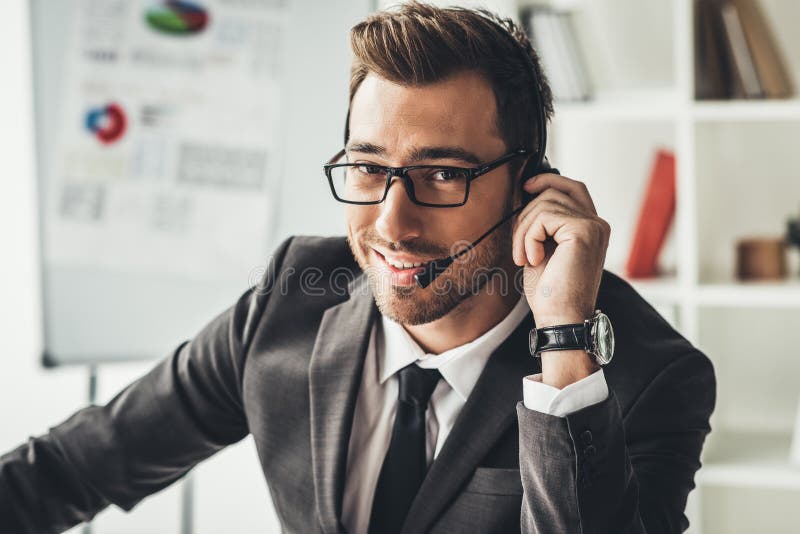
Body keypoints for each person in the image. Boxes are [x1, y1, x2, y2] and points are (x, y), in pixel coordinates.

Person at [0, 2, 715, 533]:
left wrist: (563, 339)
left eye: (441, 175)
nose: (391, 225)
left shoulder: (647, 377)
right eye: (369, 168)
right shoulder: (289, 303)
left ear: (531, 183)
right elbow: (73, 467)